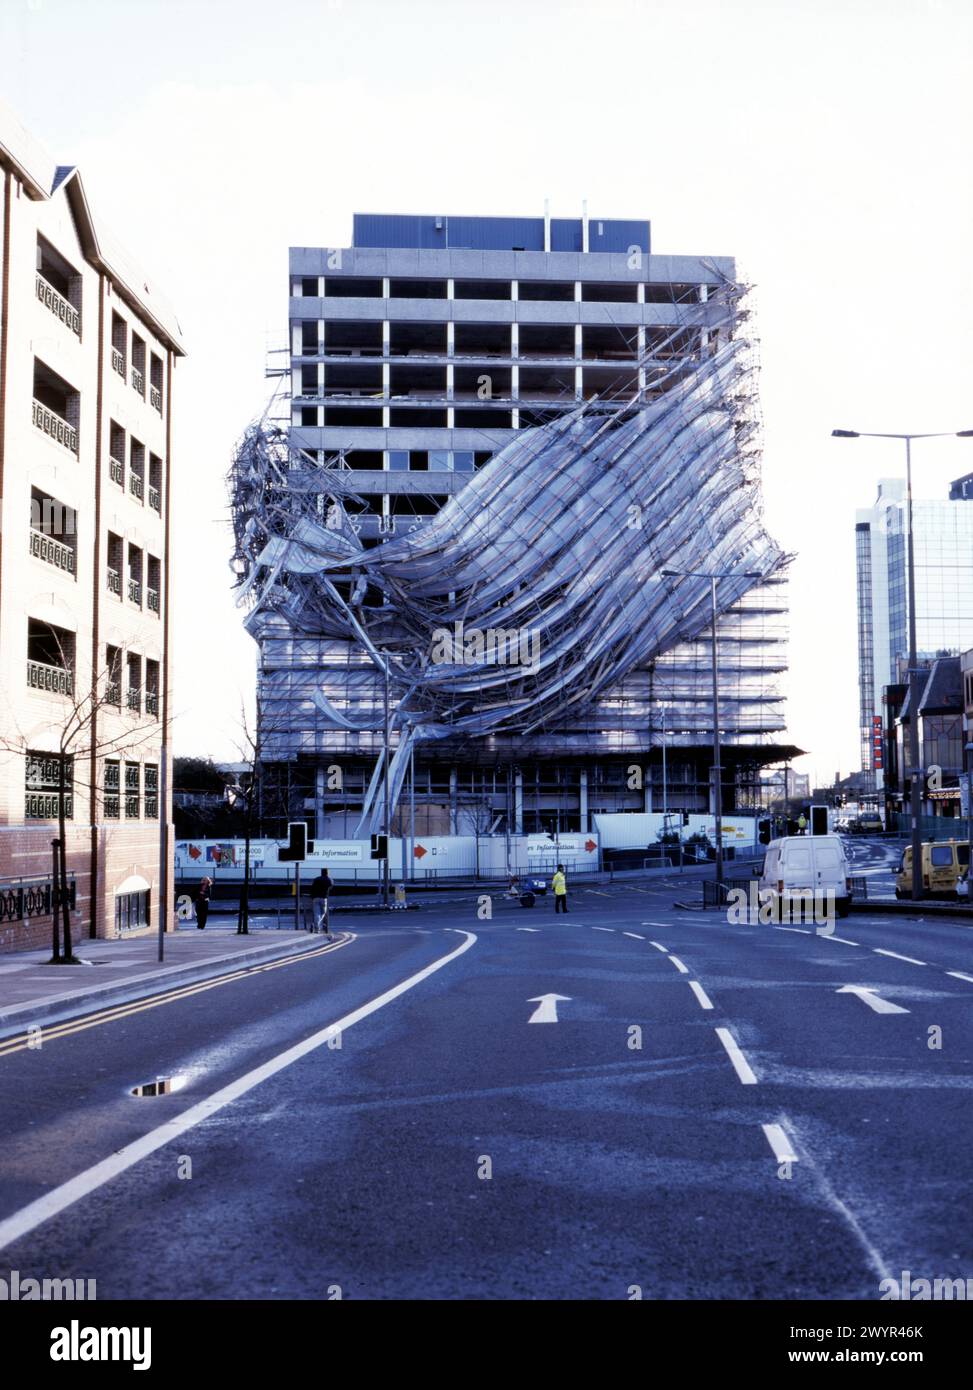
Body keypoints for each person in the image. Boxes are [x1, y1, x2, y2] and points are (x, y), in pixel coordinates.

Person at [308, 868, 333, 935]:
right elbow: (331, 886)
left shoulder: (316, 879)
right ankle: (317, 926)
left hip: (315, 898)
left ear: (321, 872)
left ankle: (316, 927)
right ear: (327, 873)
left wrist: (312, 896)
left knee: (316, 914)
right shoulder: (328, 879)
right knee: (323, 913)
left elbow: (312, 888)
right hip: (323, 898)